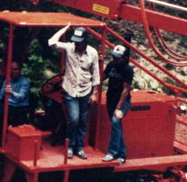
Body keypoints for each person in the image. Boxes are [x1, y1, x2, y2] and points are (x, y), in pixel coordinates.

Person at [48, 24, 100, 159]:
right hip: (70, 89)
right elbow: (52, 42)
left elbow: (95, 72)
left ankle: (79, 147)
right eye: (75, 41)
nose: (76, 44)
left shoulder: (93, 52)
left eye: (79, 41)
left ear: (85, 41)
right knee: (74, 119)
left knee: (83, 121)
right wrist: (66, 28)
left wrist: (95, 92)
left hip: (86, 90)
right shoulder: (69, 47)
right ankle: (70, 145)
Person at [102, 43, 134, 164]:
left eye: (118, 58)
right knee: (117, 126)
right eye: (114, 57)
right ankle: (122, 155)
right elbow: (102, 77)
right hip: (110, 99)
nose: (115, 59)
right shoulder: (111, 65)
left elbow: (126, 90)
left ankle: (112, 152)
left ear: (124, 57)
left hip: (122, 101)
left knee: (115, 121)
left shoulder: (128, 70)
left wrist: (119, 108)